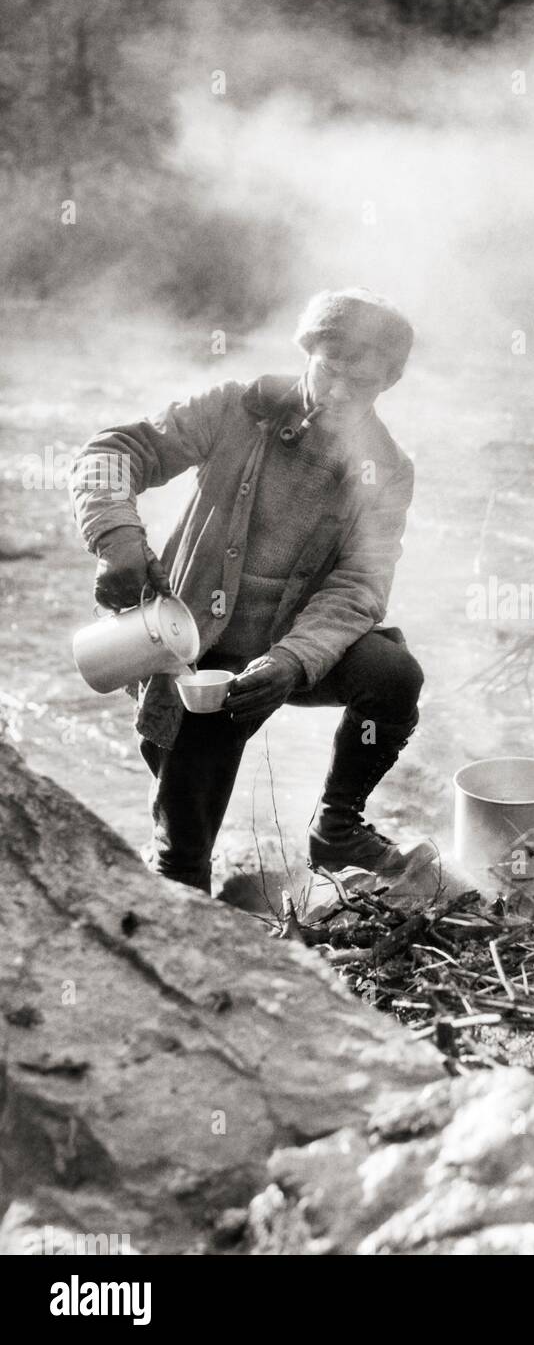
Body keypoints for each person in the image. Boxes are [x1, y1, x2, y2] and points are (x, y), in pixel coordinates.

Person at [70, 287, 425, 895]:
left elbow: (359, 584)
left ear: (389, 381)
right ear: (307, 350)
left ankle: (338, 827)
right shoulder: (238, 409)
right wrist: (118, 537)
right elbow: (112, 452)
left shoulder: (386, 469)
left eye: (361, 382)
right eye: (329, 369)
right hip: (197, 661)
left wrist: (292, 661)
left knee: (393, 675)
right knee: (182, 857)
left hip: (293, 651)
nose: (339, 392)